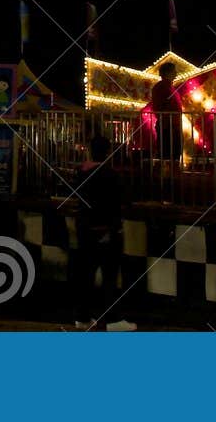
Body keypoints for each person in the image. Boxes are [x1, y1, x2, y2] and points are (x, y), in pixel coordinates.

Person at [72, 134, 123, 328]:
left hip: (84, 228)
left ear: (90, 150)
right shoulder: (109, 175)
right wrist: (112, 228)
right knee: (109, 277)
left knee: (86, 274)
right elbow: (116, 204)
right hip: (104, 230)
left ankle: (82, 318)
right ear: (108, 152)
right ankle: (113, 320)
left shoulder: (80, 172)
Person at [150, 63, 183, 165]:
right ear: (168, 72)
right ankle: (167, 177)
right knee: (169, 153)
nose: (176, 73)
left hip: (172, 124)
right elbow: (159, 106)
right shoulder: (161, 87)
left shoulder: (169, 87)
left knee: (174, 152)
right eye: (174, 71)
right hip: (167, 125)